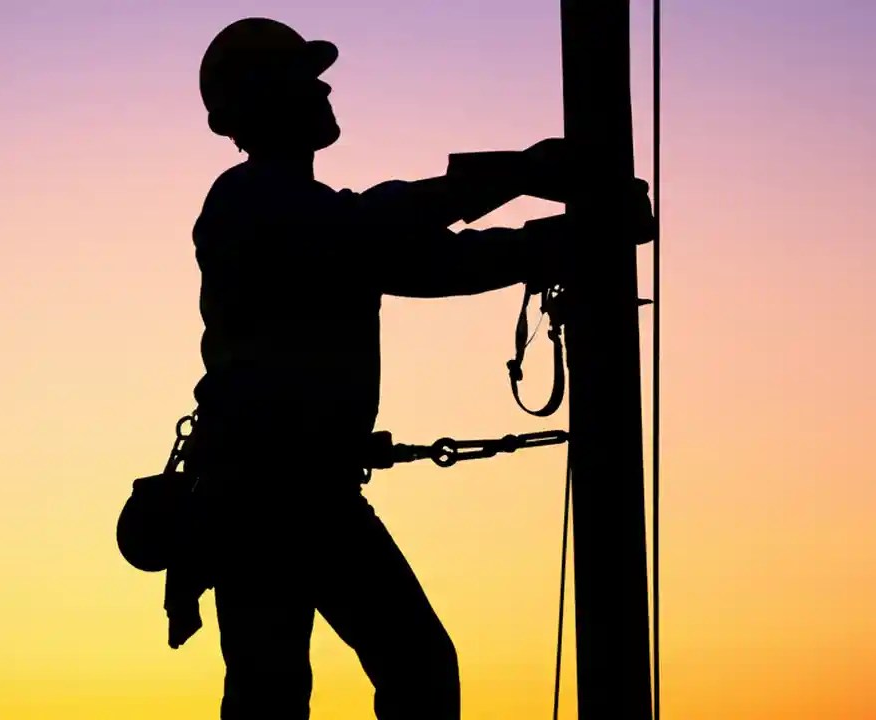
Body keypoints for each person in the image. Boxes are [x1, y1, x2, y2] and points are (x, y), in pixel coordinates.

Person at [178, 17, 653, 720]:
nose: (324, 90)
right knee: (301, 689)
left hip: (304, 493)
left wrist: (560, 241)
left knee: (404, 671)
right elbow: (379, 227)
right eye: (305, 80)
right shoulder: (247, 203)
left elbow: (431, 261)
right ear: (262, 102)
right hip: (262, 496)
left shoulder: (314, 224)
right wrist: (522, 175)